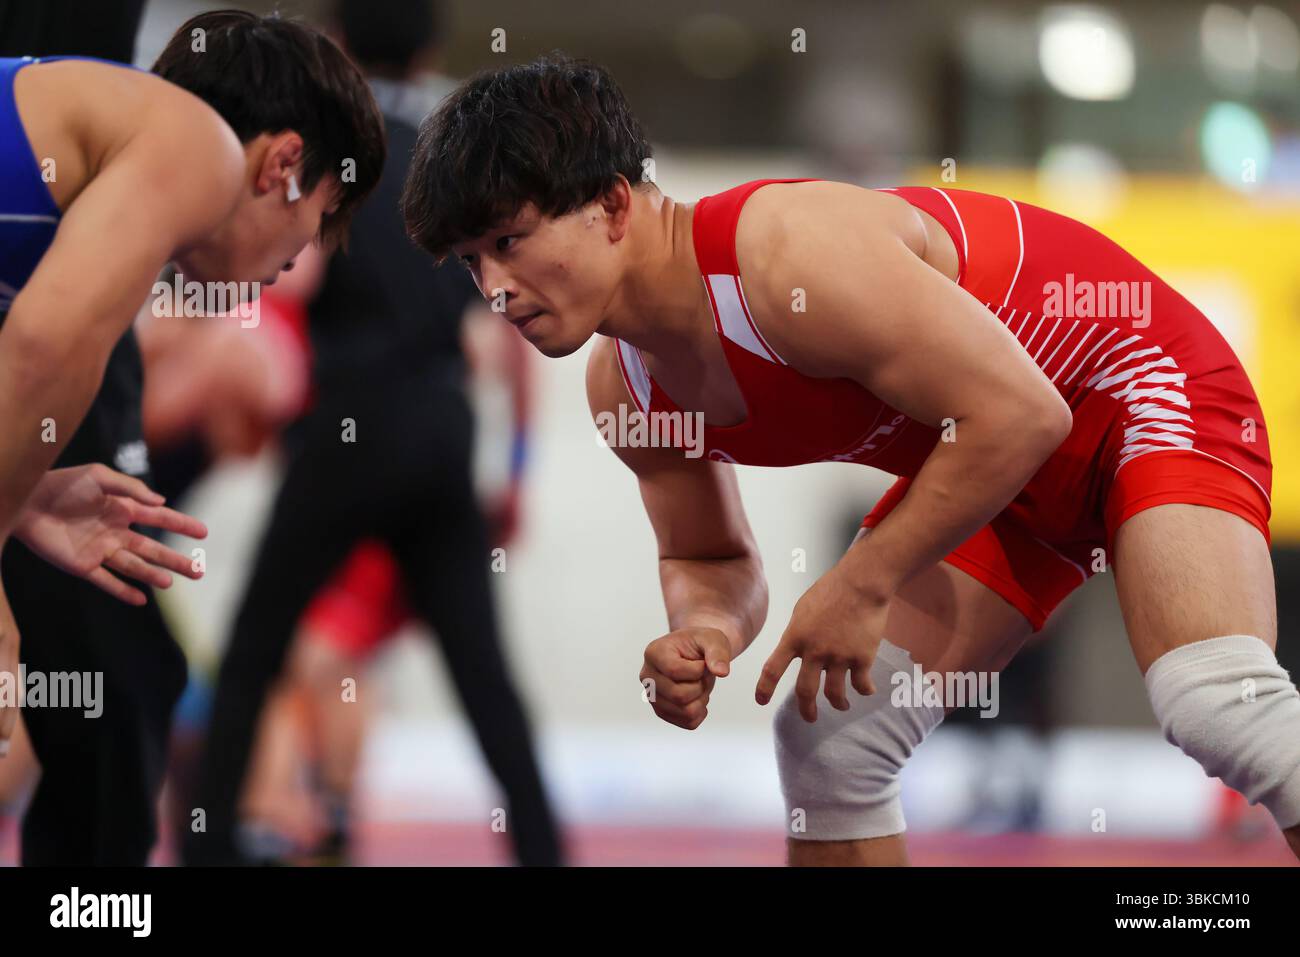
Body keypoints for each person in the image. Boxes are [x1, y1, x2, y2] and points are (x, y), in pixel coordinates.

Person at [400, 53, 1299, 866]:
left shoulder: (784, 255)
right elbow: (706, 555)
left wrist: (864, 578)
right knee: (832, 739)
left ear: (611, 204)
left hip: (1133, 383)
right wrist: (704, 631)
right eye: (471, 262)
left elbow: (1025, 410)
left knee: (1215, 701)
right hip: (1002, 462)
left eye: (508, 242)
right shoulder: (626, 391)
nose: (495, 290)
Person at [0, 7, 384, 862]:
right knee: (107, 677)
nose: (301, 259)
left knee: (113, 676)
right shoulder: (197, 149)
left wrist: (24, 502)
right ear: (283, 162)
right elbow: (38, 346)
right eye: (318, 219)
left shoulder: (87, 183)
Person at [184, 0, 562, 867]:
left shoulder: (333, 148)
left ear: (339, 46)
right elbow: (512, 324)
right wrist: (515, 468)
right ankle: (545, 854)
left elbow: (293, 283)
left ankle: (205, 851)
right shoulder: (463, 154)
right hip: (442, 427)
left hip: (350, 428)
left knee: (253, 655)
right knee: (486, 679)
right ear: (431, 46)